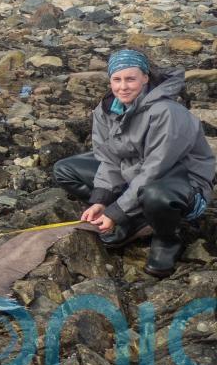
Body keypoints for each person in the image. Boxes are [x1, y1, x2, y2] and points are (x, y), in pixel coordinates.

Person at [53, 49, 213, 277]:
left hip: (180, 183)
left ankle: (167, 238)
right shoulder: (104, 110)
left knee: (155, 195)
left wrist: (116, 212)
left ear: (145, 78)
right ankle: (137, 220)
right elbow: (108, 160)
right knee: (65, 170)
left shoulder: (167, 112)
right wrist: (101, 201)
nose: (123, 87)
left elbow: (155, 170)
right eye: (116, 79)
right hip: (135, 173)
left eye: (130, 79)